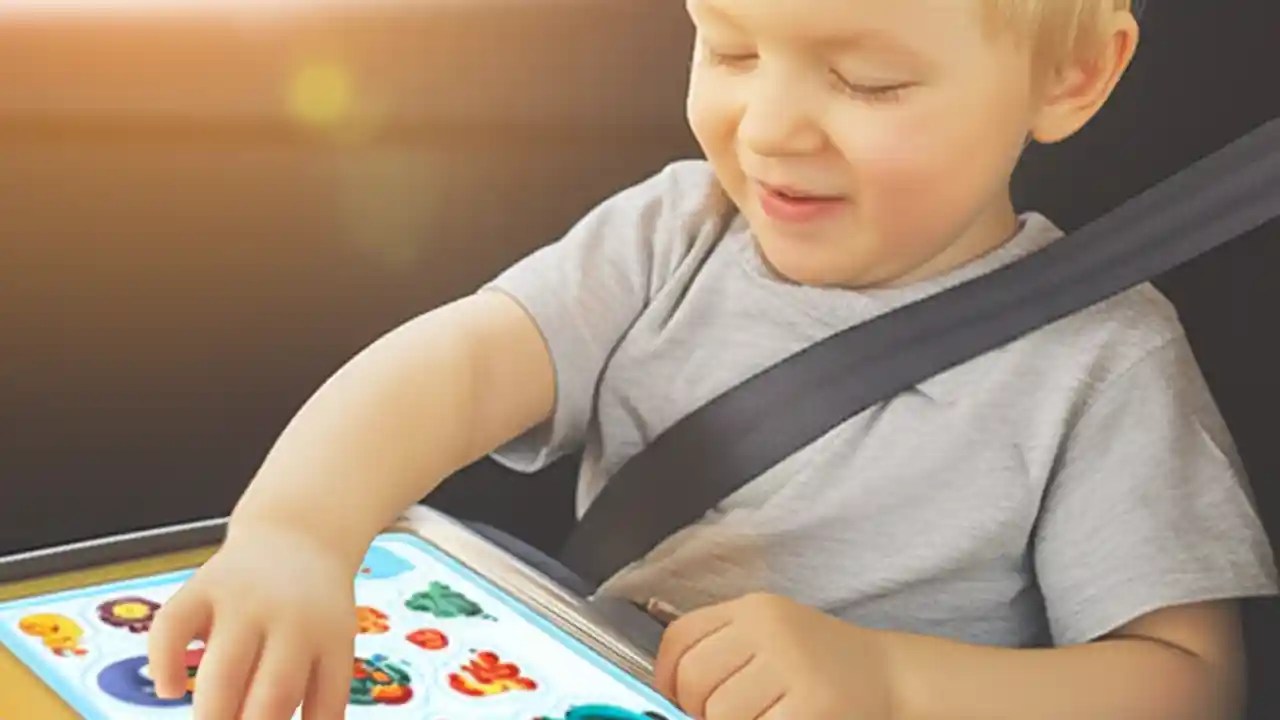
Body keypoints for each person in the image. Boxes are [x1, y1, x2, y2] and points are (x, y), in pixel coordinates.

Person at [146, 1, 1279, 717]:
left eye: (868, 81)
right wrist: (299, 530)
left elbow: (1189, 684)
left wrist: (889, 684)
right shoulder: (669, 237)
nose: (770, 127)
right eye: (730, 47)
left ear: (1069, 73)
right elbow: (461, 365)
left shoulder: (1099, 358)